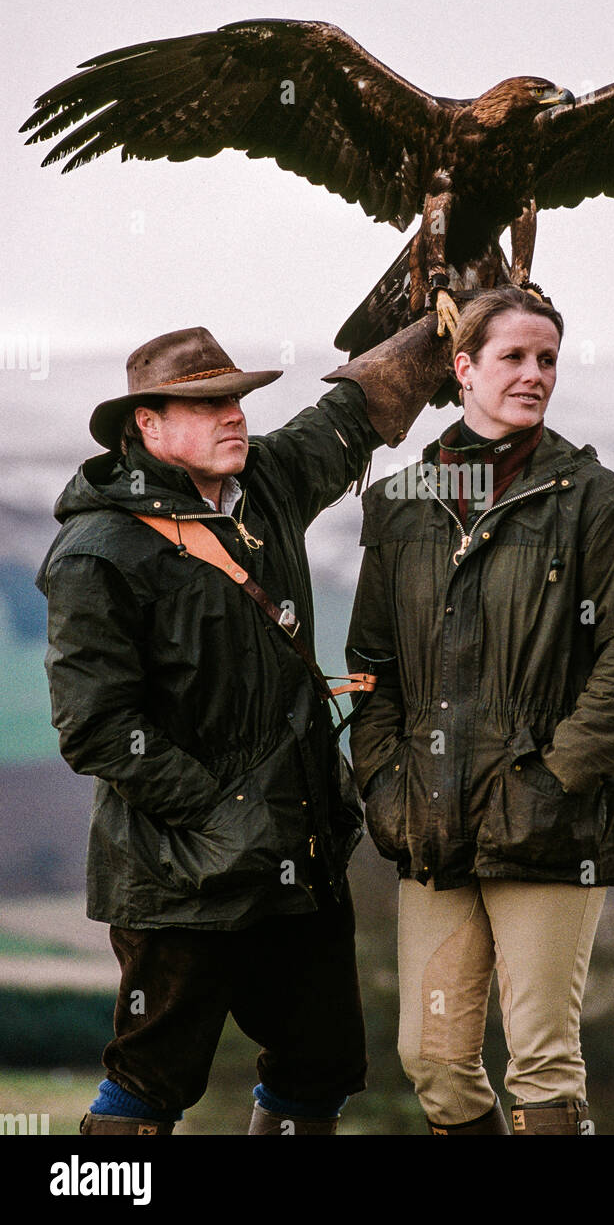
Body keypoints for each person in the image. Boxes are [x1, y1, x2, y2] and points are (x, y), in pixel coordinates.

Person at [36, 316, 461, 1136]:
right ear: (147, 427)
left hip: (300, 855)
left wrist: (443, 318)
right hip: (179, 872)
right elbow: (96, 728)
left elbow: (353, 413)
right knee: (151, 1080)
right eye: (207, 405)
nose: (234, 414)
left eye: (237, 397)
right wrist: (227, 817)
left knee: (321, 1063)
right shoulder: (98, 553)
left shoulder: (261, 485)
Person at [345, 286, 614, 1135]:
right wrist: (382, 779)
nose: (534, 375)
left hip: (548, 818)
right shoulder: (403, 500)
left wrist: (556, 775)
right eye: (514, 358)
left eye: (548, 359)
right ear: (463, 369)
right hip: (431, 817)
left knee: (541, 1062)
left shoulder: (596, 501)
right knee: (433, 1059)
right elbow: (371, 665)